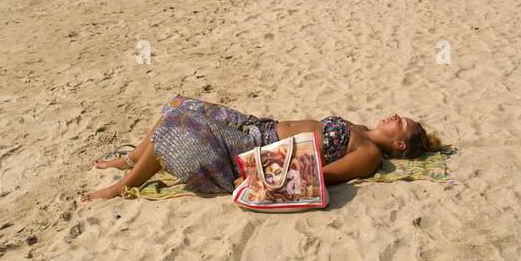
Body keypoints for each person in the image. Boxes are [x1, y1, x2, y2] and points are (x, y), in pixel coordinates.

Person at [83, 96, 438, 201]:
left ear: (399, 143)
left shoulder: (369, 154)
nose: (395, 115)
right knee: (179, 105)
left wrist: (261, 178)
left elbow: (320, 176)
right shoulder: (358, 129)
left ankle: (123, 185)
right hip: (257, 126)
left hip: (255, 149)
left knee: (175, 132)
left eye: (401, 122)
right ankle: (129, 159)